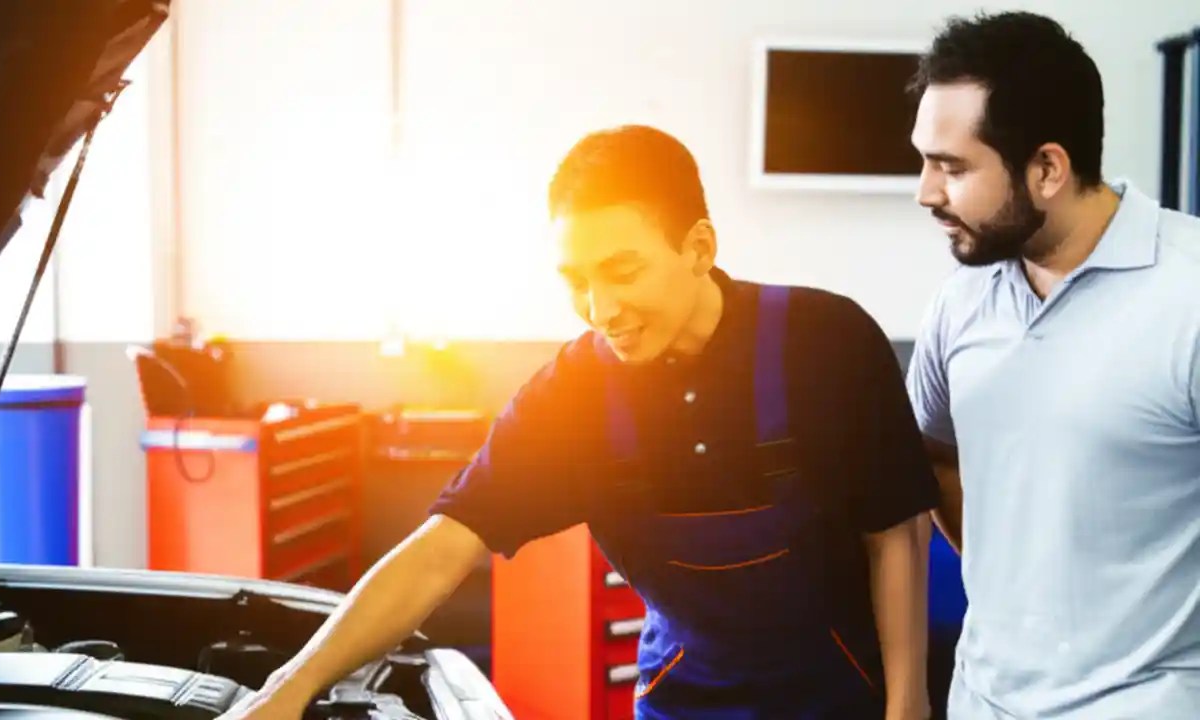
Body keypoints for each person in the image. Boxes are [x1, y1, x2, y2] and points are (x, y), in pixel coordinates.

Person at [224, 125, 939, 719]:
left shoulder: (826, 341)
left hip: (841, 697)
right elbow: (443, 547)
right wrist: (286, 691)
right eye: (575, 280)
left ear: (698, 248)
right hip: (685, 701)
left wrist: (908, 711)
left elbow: (895, 538)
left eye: (623, 270)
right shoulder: (575, 394)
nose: (600, 310)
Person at [905, 10, 1200, 719]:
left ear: (1047, 168)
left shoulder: (1188, 291)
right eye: (923, 159)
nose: (925, 191)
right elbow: (932, 455)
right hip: (981, 698)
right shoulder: (961, 300)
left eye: (952, 167)